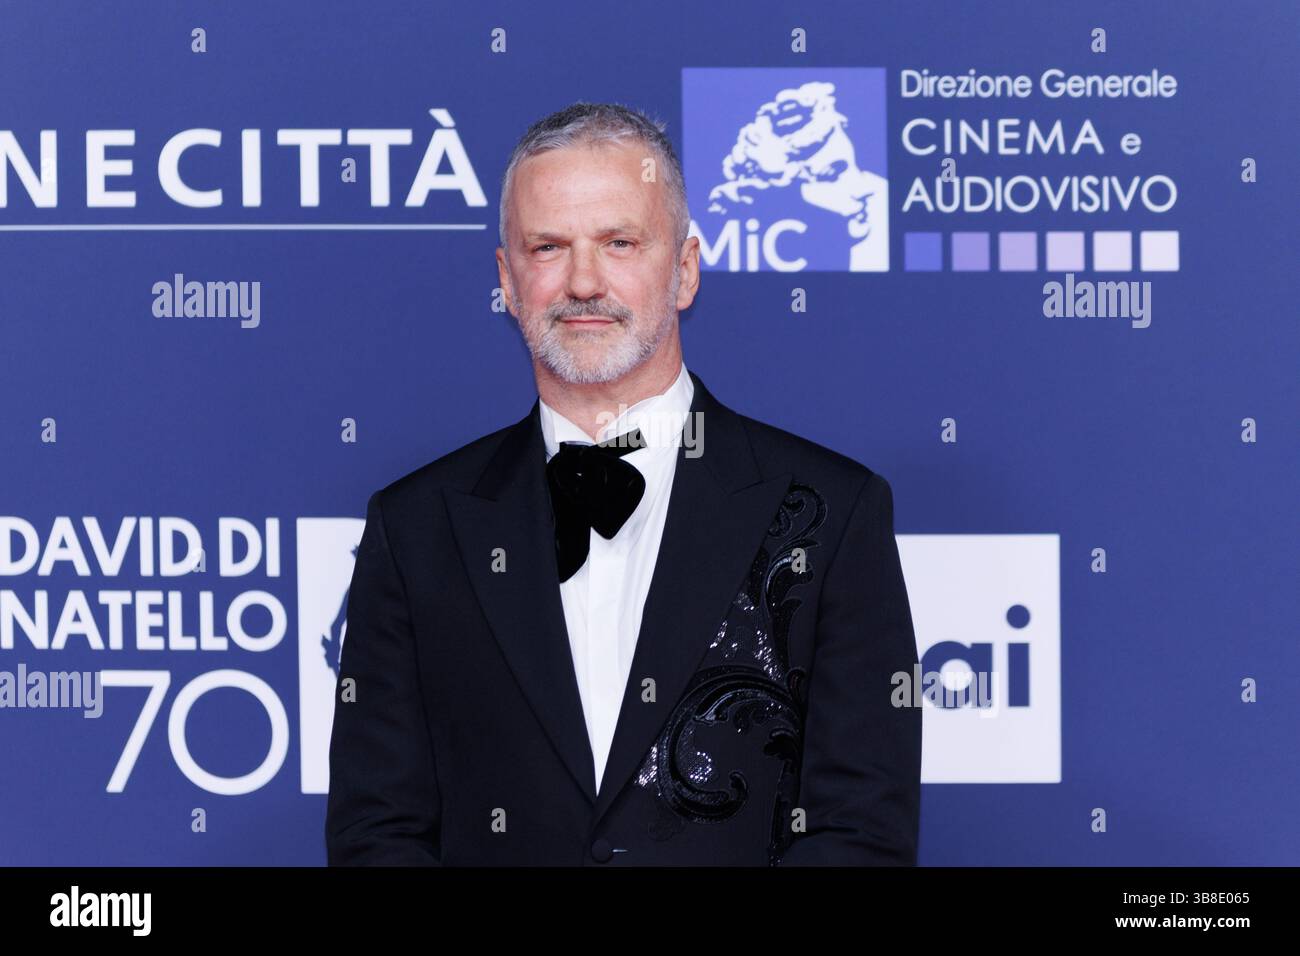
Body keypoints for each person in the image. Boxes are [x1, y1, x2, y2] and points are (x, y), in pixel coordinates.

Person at [325, 102, 921, 866]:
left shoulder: (830, 513)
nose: (582, 281)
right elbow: (378, 834)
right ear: (507, 280)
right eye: (548, 247)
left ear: (684, 269)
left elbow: (861, 833)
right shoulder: (416, 528)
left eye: (618, 242)